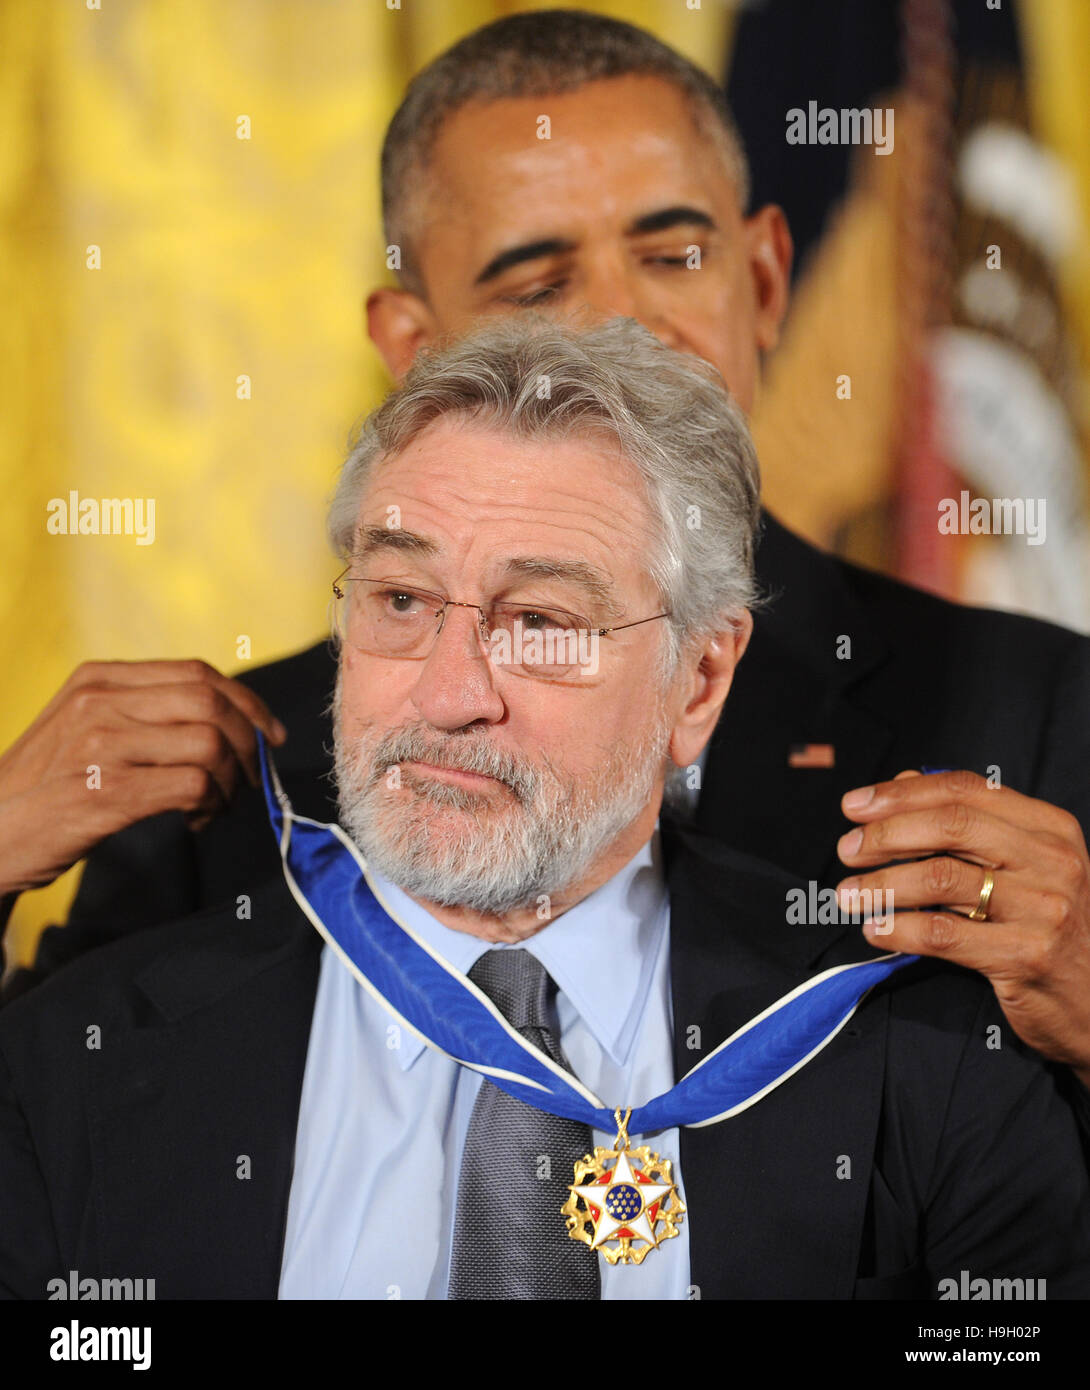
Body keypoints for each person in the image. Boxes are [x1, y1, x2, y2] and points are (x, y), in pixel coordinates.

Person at [3, 12, 1090, 1118]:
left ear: (764, 284)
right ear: (413, 348)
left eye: (674, 256)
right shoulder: (241, 780)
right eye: (537, 282)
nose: (624, 324)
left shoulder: (1029, 713)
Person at [1, 317, 1087, 1300]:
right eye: (401, 600)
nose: (448, 694)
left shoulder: (917, 1056)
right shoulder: (83, 1057)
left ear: (697, 682)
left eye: (542, 621)